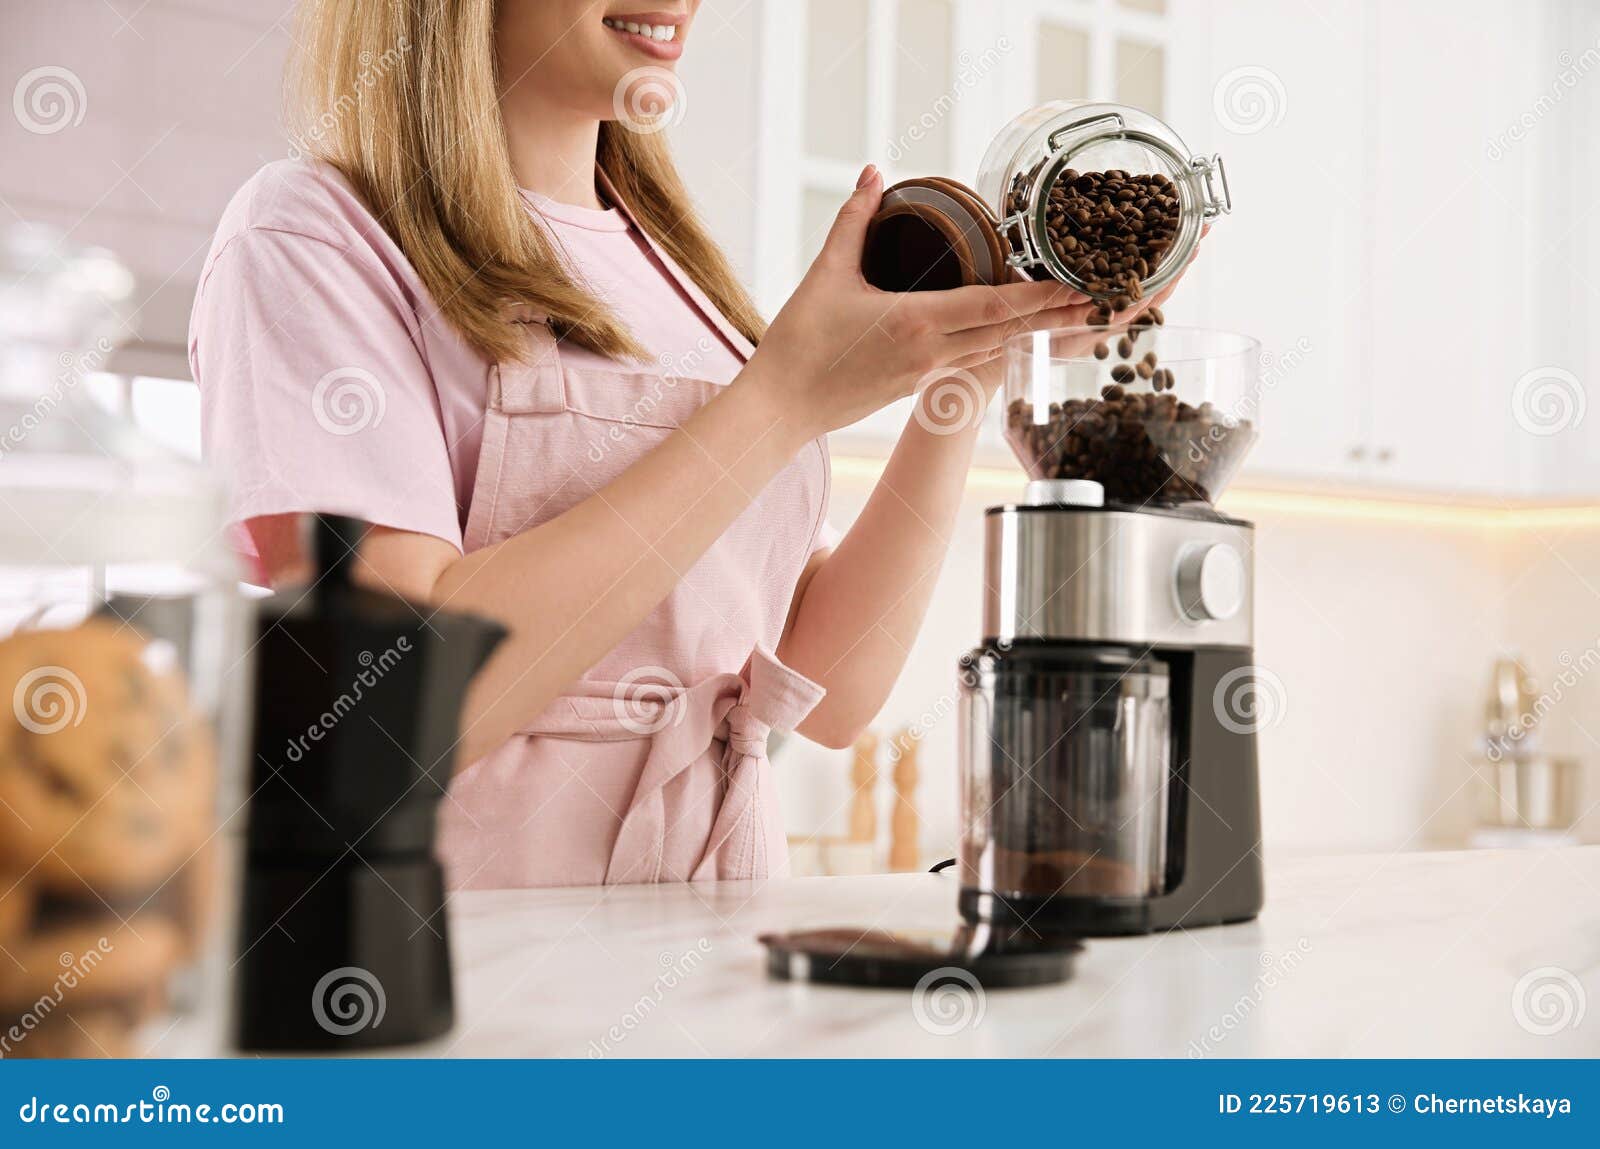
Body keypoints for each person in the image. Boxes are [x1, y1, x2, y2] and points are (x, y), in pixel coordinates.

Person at [191, 0, 1174, 887]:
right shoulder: (314, 233)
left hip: (709, 950)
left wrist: (965, 372)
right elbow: (381, 716)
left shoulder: (685, 287)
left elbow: (828, 689)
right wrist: (782, 400)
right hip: (471, 969)